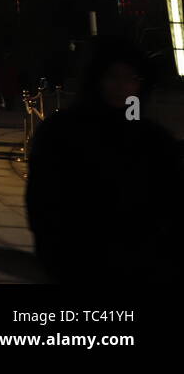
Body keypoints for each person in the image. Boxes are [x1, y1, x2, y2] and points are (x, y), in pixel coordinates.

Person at [26, 40, 184, 284]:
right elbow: (43, 200)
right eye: (113, 77)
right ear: (97, 79)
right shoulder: (62, 132)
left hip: (142, 264)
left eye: (131, 78)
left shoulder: (154, 139)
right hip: (78, 260)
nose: (122, 86)